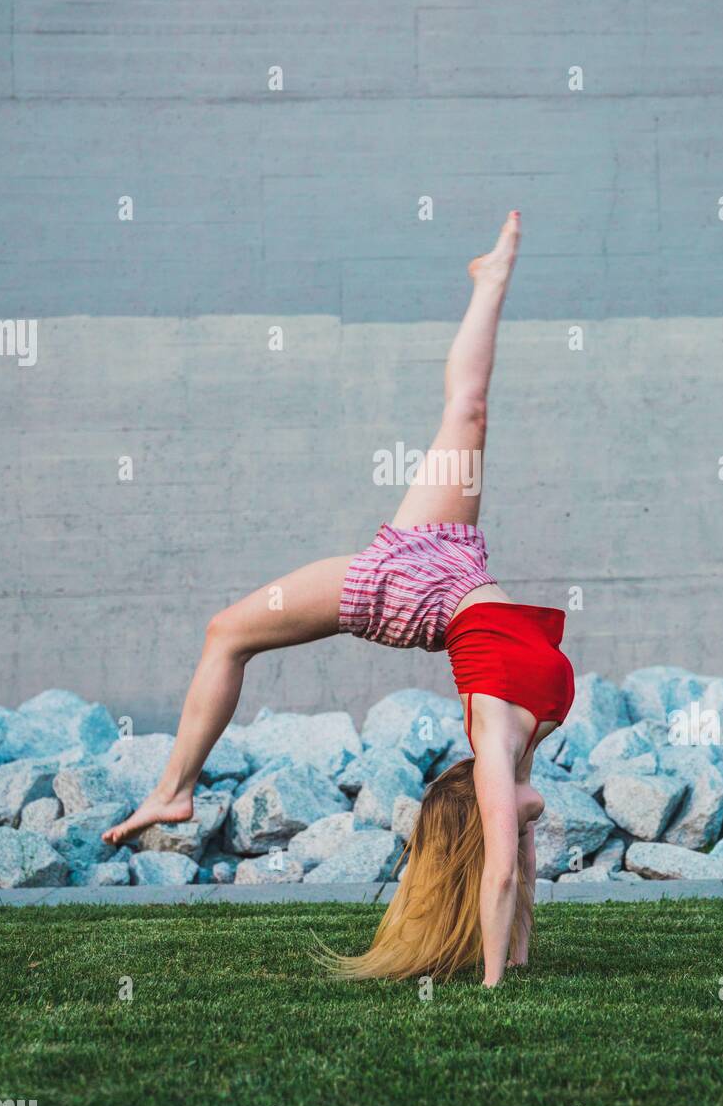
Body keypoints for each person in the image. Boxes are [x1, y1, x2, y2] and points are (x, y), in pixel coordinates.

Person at [103, 212, 575, 986]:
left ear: (477, 798)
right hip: (453, 562)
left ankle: (173, 791)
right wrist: (515, 954)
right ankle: (490, 283)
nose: (527, 829)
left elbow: (499, 871)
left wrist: (496, 983)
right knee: (467, 408)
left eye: (504, 819)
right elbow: (513, 873)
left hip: (410, 593)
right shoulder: (524, 737)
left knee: (228, 633)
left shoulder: (501, 743)